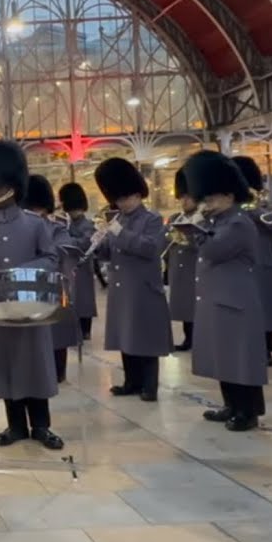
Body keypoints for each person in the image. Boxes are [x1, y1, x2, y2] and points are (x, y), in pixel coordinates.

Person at [0, 141, 69, 449]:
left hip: (32, 305)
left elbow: (50, 257)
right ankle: (15, 426)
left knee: (34, 364)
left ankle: (42, 426)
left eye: (2, 184)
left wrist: (22, 271)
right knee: (5, 365)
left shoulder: (35, 224)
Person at [182, 151, 269, 431]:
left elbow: (213, 251)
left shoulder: (238, 223)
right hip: (220, 298)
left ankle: (248, 411)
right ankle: (231, 404)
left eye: (212, 198)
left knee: (241, 358)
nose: (207, 203)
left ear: (230, 196)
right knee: (225, 357)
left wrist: (194, 229)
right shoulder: (218, 222)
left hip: (236, 300)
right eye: (206, 198)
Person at [93, 157, 173, 401]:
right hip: (122, 287)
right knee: (126, 336)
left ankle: (149, 386)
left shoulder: (152, 219)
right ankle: (131, 381)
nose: (122, 203)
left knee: (146, 338)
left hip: (143, 288)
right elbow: (110, 253)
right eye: (118, 199)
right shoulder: (119, 220)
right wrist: (98, 244)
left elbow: (148, 248)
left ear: (138, 195)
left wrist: (118, 232)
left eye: (126, 198)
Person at [233, 156, 272, 366]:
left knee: (265, 309)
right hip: (239, 262)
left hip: (262, 260)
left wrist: (253, 209)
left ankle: (267, 349)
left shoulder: (262, 201)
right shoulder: (232, 203)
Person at [22, 175, 81, 383]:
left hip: (52, 287)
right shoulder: (22, 227)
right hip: (29, 288)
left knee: (57, 334)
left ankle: (58, 371)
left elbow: (65, 248)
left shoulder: (56, 227)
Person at [58, 183, 98, 340]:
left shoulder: (87, 224)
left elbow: (86, 243)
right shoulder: (67, 223)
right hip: (68, 265)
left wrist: (66, 239)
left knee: (83, 298)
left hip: (81, 267)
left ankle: (85, 328)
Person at [167, 169, 199, 352]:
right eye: (182, 198)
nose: (184, 201)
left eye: (188, 197)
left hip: (193, 267)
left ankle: (197, 338)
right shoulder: (175, 218)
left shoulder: (202, 218)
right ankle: (188, 338)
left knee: (194, 306)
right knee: (185, 308)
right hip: (179, 267)